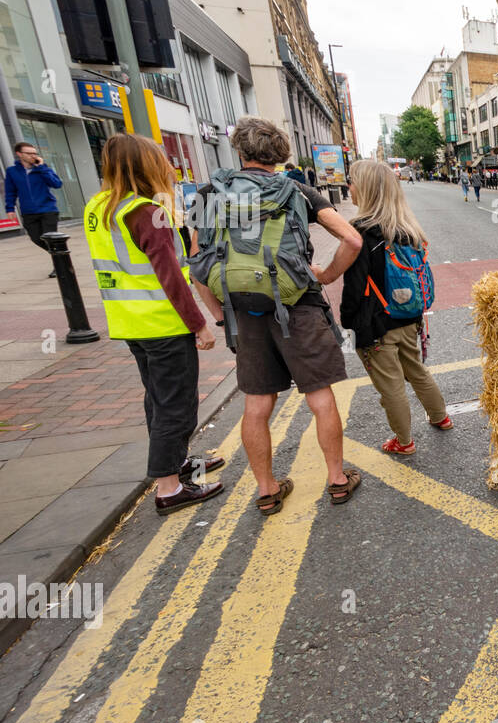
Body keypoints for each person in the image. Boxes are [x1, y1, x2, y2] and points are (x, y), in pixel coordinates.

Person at [191, 117, 363, 515]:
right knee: (320, 397)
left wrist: (219, 314)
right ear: (280, 153)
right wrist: (327, 275)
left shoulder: (208, 194)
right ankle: (337, 480)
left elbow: (197, 262)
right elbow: (352, 239)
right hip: (298, 304)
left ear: (239, 151)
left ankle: (267, 489)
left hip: (245, 313)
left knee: (256, 404)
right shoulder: (298, 191)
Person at [84, 134, 224, 514]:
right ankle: (169, 488)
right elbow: (171, 278)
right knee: (176, 404)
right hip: (163, 323)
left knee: (158, 399)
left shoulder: (98, 207)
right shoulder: (146, 212)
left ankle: (177, 464)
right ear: (146, 166)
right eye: (160, 160)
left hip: (131, 323)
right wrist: (200, 325)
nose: (168, 166)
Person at [341, 161, 451, 455]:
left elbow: (354, 288)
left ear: (364, 190)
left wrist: (348, 321)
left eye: (352, 182)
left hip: (377, 324)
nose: (348, 187)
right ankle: (441, 417)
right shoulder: (408, 230)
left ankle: (404, 442)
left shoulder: (361, 233)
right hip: (410, 318)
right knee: (416, 370)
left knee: (390, 386)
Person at [6, 142, 64, 278]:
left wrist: (42, 167)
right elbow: (10, 191)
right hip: (29, 212)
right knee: (36, 238)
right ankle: (61, 255)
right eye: (29, 153)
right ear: (19, 154)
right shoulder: (12, 172)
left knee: (50, 238)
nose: (33, 156)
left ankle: (59, 266)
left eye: (35, 153)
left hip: (48, 209)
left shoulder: (42, 168)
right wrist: (10, 208)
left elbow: (57, 184)